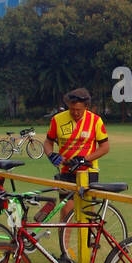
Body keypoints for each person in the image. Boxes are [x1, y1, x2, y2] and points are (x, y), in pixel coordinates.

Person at [45, 88, 110, 222]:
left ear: (86, 107)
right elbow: (48, 142)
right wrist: (51, 155)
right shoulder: (57, 119)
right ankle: (65, 243)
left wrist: (84, 159)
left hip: (88, 171)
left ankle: (90, 242)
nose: (75, 113)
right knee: (66, 212)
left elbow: (105, 147)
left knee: (88, 214)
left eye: (78, 110)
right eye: (72, 109)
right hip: (66, 172)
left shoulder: (95, 121)